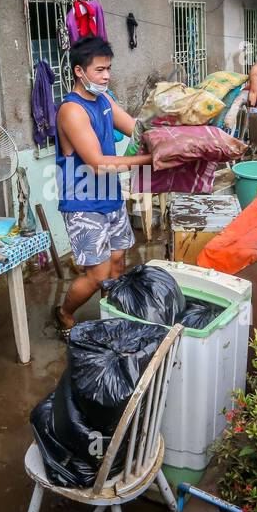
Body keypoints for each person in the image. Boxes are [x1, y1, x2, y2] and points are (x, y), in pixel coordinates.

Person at [53, 35, 153, 339]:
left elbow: (135, 127)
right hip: (83, 204)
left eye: (108, 68)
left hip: (110, 197)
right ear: (79, 72)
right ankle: (64, 313)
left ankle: (109, 317)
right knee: (97, 275)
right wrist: (148, 158)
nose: (106, 75)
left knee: (118, 262)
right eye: (99, 70)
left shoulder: (104, 99)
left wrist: (168, 128)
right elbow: (96, 162)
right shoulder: (72, 111)